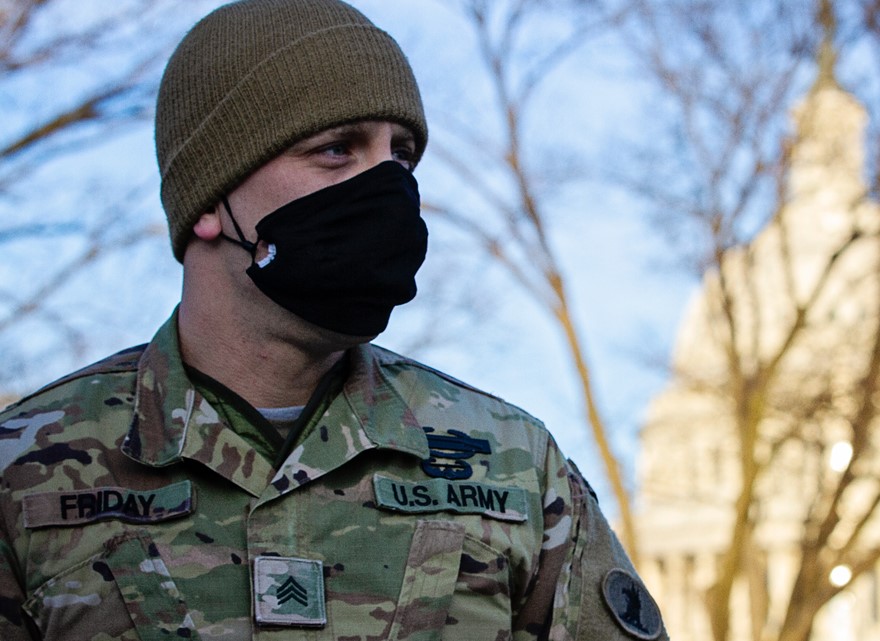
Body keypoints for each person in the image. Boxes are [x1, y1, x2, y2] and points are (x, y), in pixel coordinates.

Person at [0, 1, 666, 639]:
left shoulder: (516, 468)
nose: (390, 189)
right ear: (209, 200)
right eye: (337, 149)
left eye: (401, 154)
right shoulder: (25, 469)